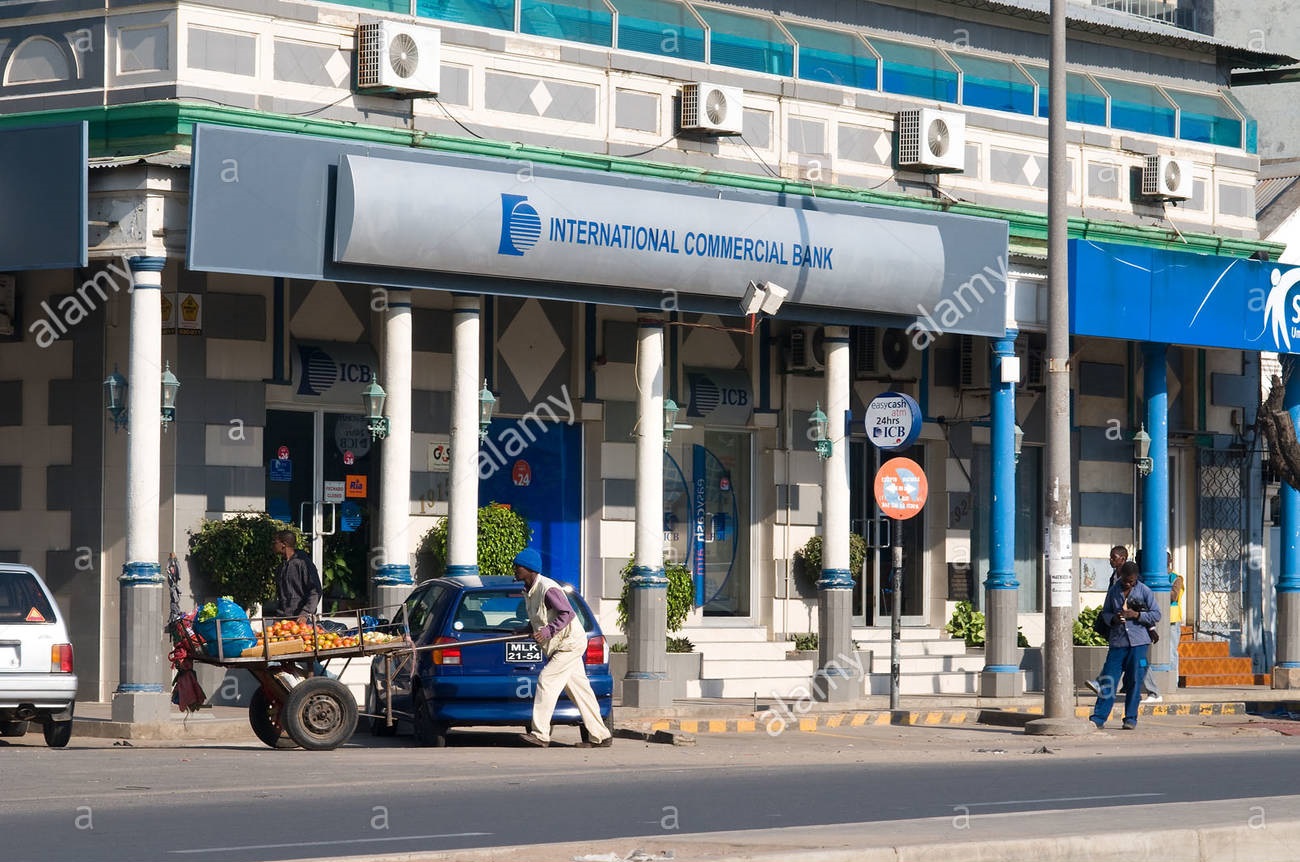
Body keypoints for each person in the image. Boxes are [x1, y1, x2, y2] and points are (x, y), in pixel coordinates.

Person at [512, 548, 613, 749]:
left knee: (546, 680)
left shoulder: (548, 589)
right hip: (561, 644)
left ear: (530, 569)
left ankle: (540, 734)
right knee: (580, 691)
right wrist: (526, 629)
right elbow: (540, 617)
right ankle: (601, 736)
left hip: (569, 643)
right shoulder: (529, 589)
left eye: (518, 566)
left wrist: (547, 631)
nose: (514, 569)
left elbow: (567, 614)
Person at [1089, 560, 1161, 730]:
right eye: (1126, 581)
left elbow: (1156, 614)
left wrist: (1137, 615)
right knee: (1109, 680)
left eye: (1132, 581)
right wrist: (1113, 618)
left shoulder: (1144, 591)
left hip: (1139, 643)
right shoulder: (1113, 591)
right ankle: (1098, 718)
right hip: (1118, 642)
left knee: (1135, 680)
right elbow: (1106, 612)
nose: (1128, 584)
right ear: (1121, 576)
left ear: (1136, 578)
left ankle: (1130, 718)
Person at [271, 530, 322, 620]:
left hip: (301, 620)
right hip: (282, 619)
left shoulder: (303, 563)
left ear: (283, 544)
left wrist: (306, 613)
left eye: (274, 542)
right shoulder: (281, 567)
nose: (272, 545)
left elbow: (315, 591)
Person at [1168, 551, 1185, 689]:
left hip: (1172, 619)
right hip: (1158, 617)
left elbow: (1174, 596)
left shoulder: (1176, 578)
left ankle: (1173, 680)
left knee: (1171, 651)